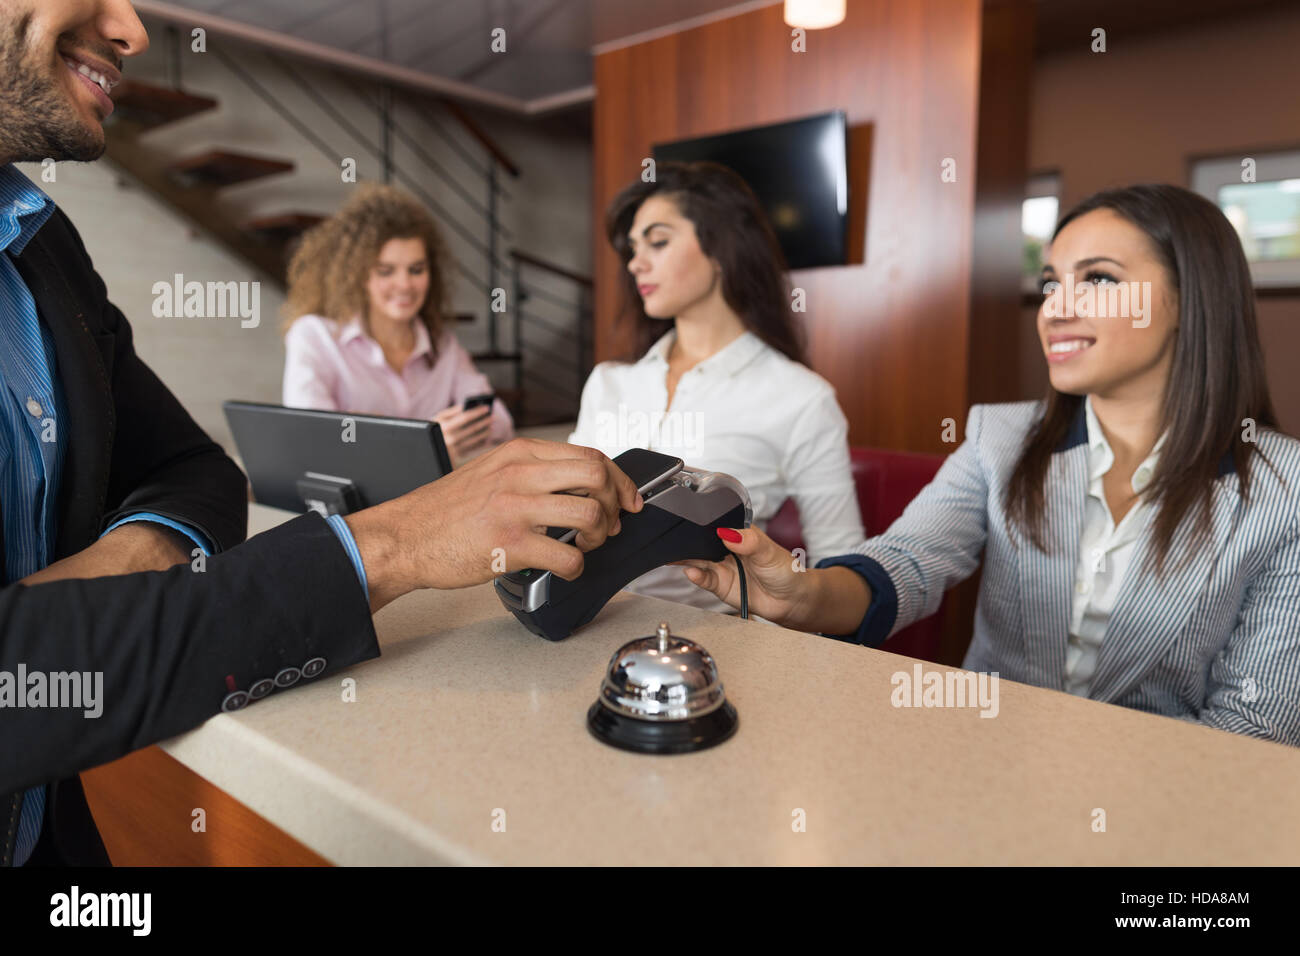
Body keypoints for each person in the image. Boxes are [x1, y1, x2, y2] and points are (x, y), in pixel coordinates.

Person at [0, 0, 638, 866]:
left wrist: (106, 579)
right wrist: (396, 541)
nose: (136, 30)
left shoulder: (42, 246)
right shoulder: (317, 340)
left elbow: (201, 472)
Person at [682, 183, 1300, 746]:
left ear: (1192, 298)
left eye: (1100, 280)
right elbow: (909, 559)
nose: (1055, 309)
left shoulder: (1285, 487)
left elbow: (1255, 725)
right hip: (986, 765)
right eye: (1052, 282)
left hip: (1170, 806)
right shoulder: (997, 436)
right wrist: (806, 596)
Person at [568, 161, 864, 611]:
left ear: (722, 248)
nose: (634, 263)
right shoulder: (608, 382)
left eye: (658, 241)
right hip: (580, 620)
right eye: (632, 248)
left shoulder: (802, 399)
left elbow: (840, 573)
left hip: (713, 648)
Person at [281, 183, 513, 467]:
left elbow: (500, 422)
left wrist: (450, 434)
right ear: (358, 274)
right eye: (386, 271)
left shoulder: (443, 345)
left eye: (416, 270)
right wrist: (425, 444)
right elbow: (312, 443)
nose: (404, 285)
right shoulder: (315, 336)